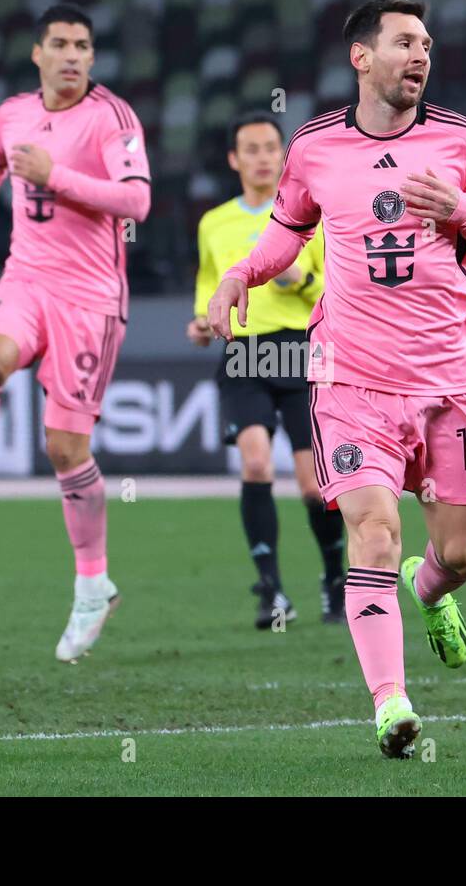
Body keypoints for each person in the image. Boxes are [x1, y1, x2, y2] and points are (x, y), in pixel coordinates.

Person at [207, 0, 466, 757]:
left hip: (447, 381)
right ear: (362, 57)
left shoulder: (461, 141)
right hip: (351, 382)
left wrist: (464, 209)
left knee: (464, 555)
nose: (421, 55)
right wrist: (237, 278)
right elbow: (285, 231)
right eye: (405, 42)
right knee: (373, 533)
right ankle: (392, 706)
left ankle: (428, 592)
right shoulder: (315, 147)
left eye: (427, 44)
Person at [0, 4, 151, 664]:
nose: (73, 56)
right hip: (26, 281)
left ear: (93, 58)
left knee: (65, 450)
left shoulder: (112, 119)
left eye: (83, 46)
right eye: (61, 45)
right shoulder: (13, 113)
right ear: (37, 53)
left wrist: (56, 176)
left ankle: (92, 584)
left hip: (91, 301)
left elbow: (137, 202)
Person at [188, 112, 346, 629]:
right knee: (255, 464)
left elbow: (336, 292)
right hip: (245, 355)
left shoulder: (310, 214)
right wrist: (201, 323)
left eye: (270, 148)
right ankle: (272, 591)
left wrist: (300, 278)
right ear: (234, 159)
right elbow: (209, 289)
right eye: (250, 149)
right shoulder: (214, 223)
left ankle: (334, 579)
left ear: (283, 155)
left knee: (315, 486)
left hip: (303, 352)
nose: (261, 157)